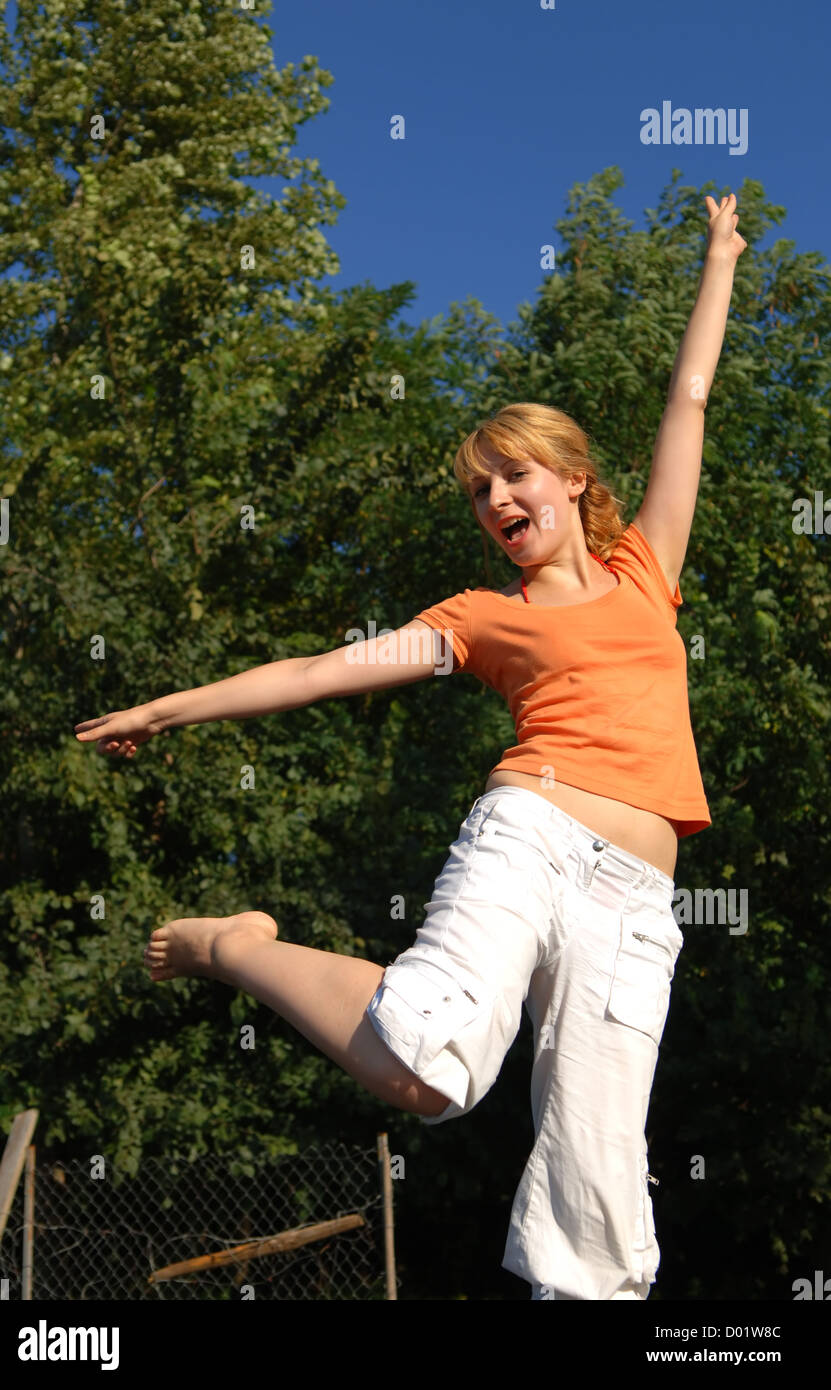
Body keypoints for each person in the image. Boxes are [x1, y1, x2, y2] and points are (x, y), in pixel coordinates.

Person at [74, 193, 746, 1299]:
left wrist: (716, 256)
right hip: (529, 833)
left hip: (635, 900)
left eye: (513, 476)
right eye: (480, 491)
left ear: (571, 478)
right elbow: (312, 673)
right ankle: (236, 946)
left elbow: (688, 395)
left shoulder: (645, 574)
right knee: (427, 1067)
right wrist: (167, 707)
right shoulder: (477, 617)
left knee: (600, 1204)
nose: (494, 499)